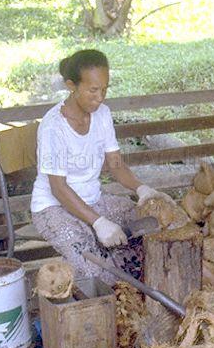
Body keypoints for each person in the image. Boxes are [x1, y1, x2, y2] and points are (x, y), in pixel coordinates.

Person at [31, 49, 172, 284]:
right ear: (71, 86)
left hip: (94, 200)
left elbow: (115, 165)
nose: (100, 97)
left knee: (151, 222)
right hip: (54, 207)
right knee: (98, 272)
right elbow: (58, 188)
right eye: (93, 90)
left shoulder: (102, 114)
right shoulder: (53, 127)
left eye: (104, 89)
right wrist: (98, 222)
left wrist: (142, 189)